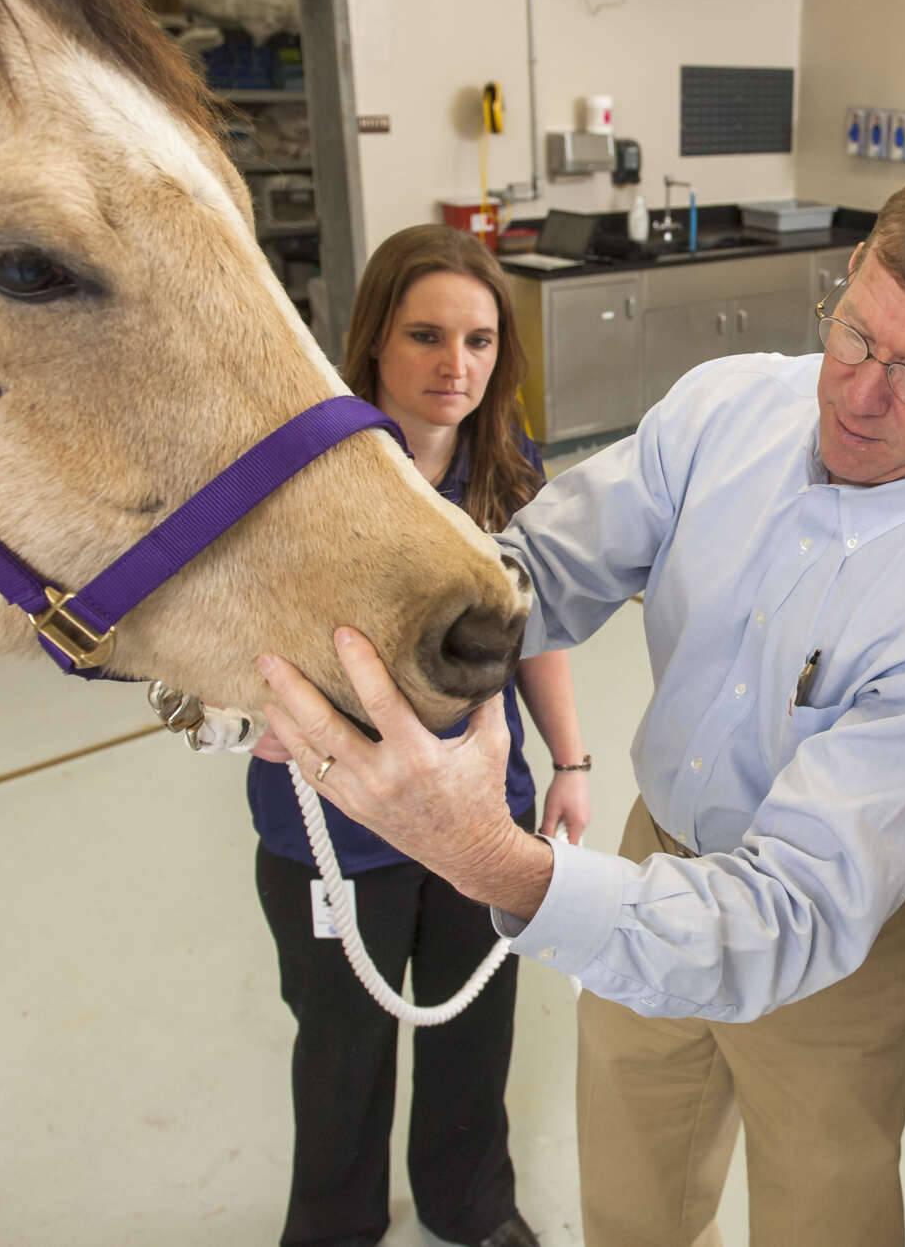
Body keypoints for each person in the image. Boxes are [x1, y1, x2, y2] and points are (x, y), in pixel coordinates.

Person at [254, 160, 905, 1246]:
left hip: (829, 944)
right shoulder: (732, 405)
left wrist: (488, 857)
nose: (857, 391)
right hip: (655, 852)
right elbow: (534, 575)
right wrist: (353, 650)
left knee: (821, 1218)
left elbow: (786, 914)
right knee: (632, 1202)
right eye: (855, 333)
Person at [247, 225, 591, 1247]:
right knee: (343, 1041)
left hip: (483, 811)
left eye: (480, 341)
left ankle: (470, 1200)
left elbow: (534, 629)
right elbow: (235, 625)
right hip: (333, 824)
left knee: (474, 1028)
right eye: (427, 336)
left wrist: (568, 763)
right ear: (374, 341)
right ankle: (332, 1221)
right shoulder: (307, 468)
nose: (456, 367)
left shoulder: (505, 463)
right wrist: (256, 709)